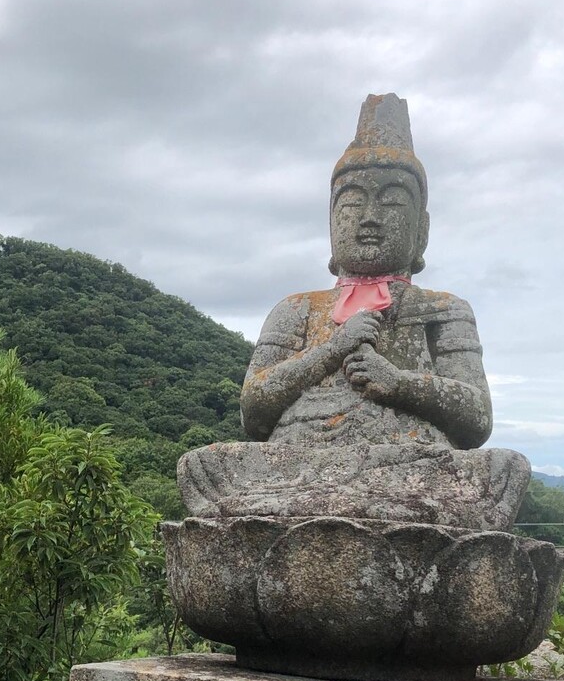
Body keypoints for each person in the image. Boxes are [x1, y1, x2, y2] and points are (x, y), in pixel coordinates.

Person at [178, 94, 528, 531]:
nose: (370, 218)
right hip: (297, 460)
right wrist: (332, 348)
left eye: (393, 203)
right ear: (331, 222)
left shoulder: (444, 310)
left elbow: (476, 419)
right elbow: (255, 412)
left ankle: (316, 516)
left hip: (410, 461)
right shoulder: (297, 309)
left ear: (422, 230)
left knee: (502, 469)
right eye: (353, 202)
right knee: (203, 465)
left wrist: (397, 383)